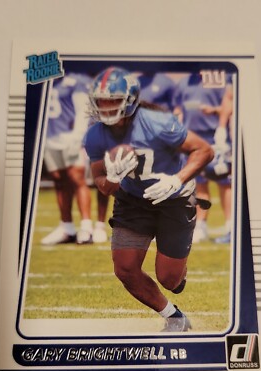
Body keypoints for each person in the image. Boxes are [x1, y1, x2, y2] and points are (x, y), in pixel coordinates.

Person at [84, 67, 214, 332]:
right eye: (101, 101)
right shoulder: (95, 135)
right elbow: (102, 184)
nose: (106, 107)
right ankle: (175, 318)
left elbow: (204, 150)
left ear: (130, 99)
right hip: (132, 199)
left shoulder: (157, 122)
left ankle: (178, 271)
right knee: (125, 269)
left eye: (112, 100)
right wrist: (113, 178)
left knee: (169, 279)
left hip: (174, 198)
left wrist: (177, 179)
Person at [173, 71, 233, 244]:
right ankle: (200, 226)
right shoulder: (184, 82)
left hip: (215, 137)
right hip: (192, 139)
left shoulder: (219, 80)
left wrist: (215, 112)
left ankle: (231, 226)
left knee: (224, 182)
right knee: (198, 183)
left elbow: (230, 105)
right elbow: (178, 109)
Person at [41, 73, 95, 245]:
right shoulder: (43, 80)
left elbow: (83, 111)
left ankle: (86, 228)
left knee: (77, 179)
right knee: (59, 180)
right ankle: (66, 228)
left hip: (70, 137)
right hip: (50, 136)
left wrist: (78, 137)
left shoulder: (75, 81)